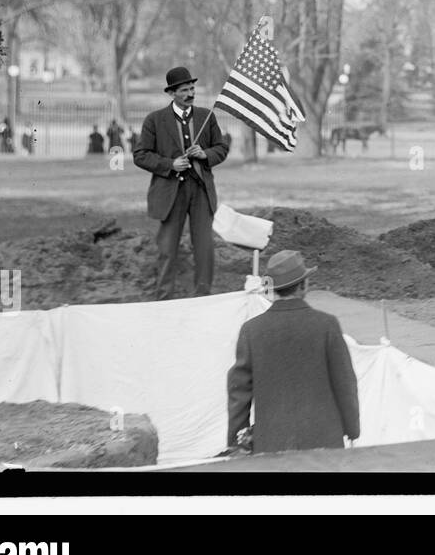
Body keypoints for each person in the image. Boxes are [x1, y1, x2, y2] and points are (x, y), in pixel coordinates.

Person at [226, 249, 360, 454]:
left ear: (274, 289)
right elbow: (345, 384)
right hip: (324, 445)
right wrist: (352, 430)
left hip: (272, 445)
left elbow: (239, 392)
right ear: (303, 285)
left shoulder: (251, 331)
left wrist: (237, 440)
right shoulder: (327, 325)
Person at [133, 65, 229, 299]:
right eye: (184, 89)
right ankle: (164, 297)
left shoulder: (207, 117)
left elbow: (221, 148)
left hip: (200, 191)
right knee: (167, 248)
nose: (190, 93)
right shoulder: (154, 120)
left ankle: (203, 295)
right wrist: (169, 164)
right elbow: (140, 155)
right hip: (170, 192)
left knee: (205, 248)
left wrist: (205, 154)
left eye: (192, 88)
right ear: (172, 93)